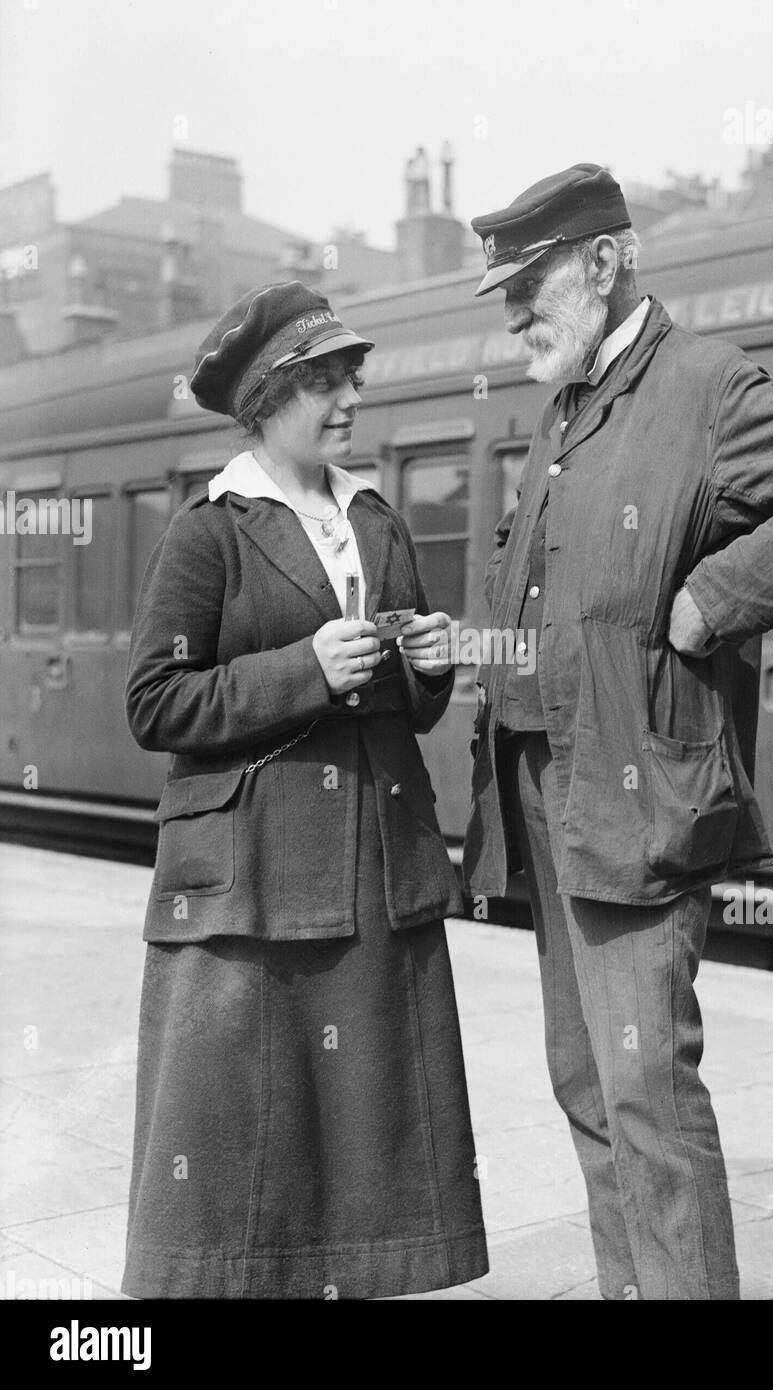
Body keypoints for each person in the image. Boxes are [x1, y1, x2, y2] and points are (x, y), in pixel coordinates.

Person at [462, 164, 773, 1301]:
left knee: (645, 1095)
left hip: (638, 798)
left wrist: (714, 597)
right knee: (588, 1087)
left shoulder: (704, 386)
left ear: (605, 263)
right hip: (545, 793)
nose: (514, 313)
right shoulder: (567, 405)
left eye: (530, 283)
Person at [122, 281, 488, 1299]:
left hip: (374, 867)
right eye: (323, 383)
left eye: (350, 379)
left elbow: (408, 707)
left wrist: (428, 659)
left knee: (367, 1137)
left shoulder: (375, 520)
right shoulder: (211, 532)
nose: (347, 400)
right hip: (255, 878)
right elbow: (155, 701)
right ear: (268, 397)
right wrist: (304, 670)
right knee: (243, 1144)